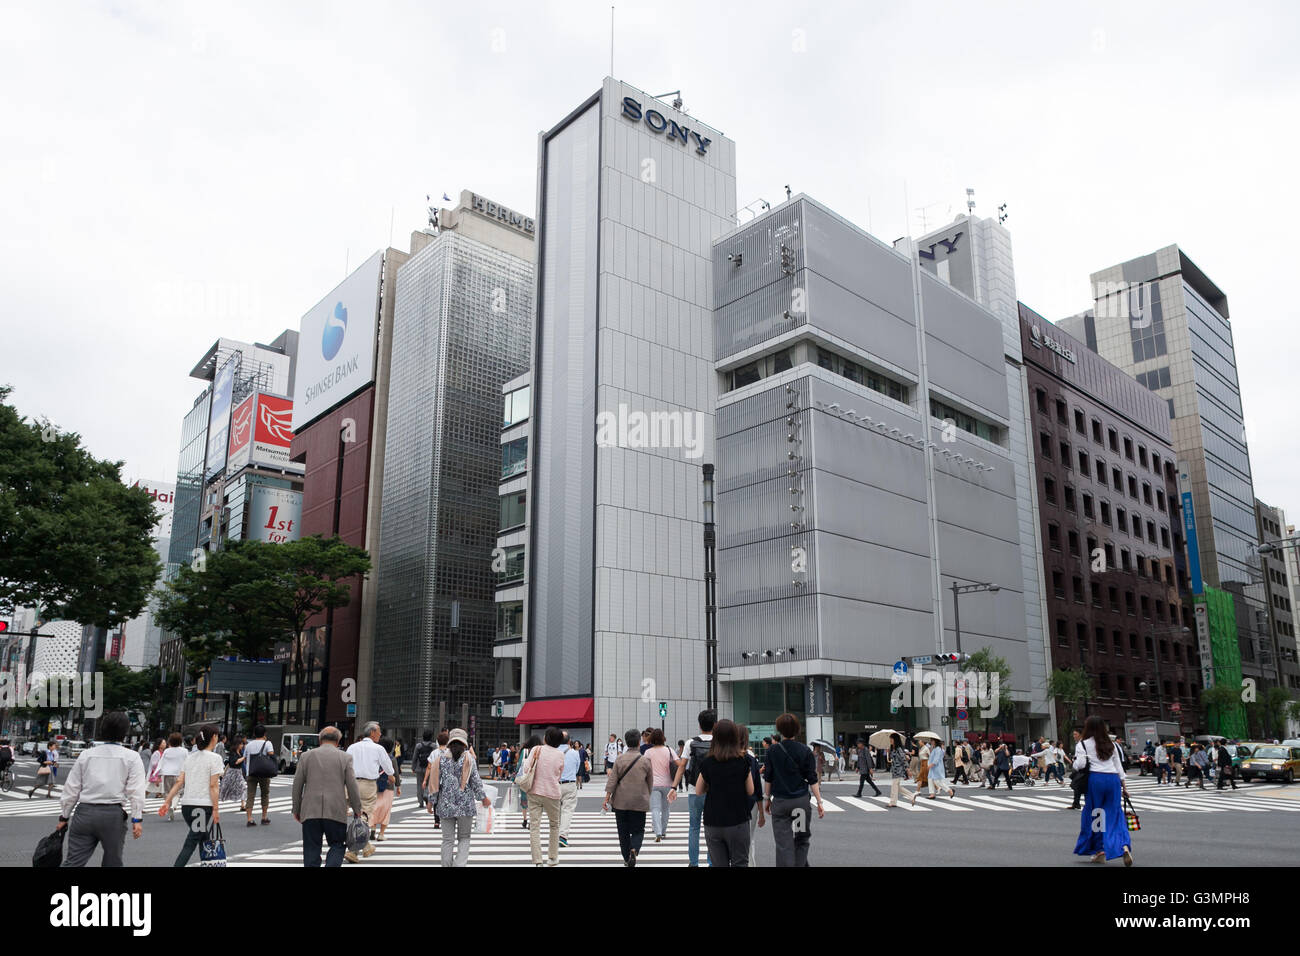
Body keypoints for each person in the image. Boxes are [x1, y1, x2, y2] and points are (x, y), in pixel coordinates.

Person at [57, 712, 145, 867]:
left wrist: (64, 817)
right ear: (125, 732)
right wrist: (136, 819)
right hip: (112, 815)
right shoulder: (132, 757)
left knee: (73, 862)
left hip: (84, 813)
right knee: (112, 861)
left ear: (103, 730)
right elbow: (136, 791)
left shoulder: (86, 755)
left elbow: (71, 788)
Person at [292, 725, 362, 867]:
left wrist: (296, 808)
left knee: (311, 848)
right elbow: (352, 785)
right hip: (335, 809)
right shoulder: (345, 757)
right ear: (338, 741)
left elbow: (297, 785)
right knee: (337, 845)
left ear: (320, 739)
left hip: (310, 810)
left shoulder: (306, 756)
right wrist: (357, 808)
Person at [762, 713, 823, 866]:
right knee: (801, 839)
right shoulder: (805, 750)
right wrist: (820, 802)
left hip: (781, 803)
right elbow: (812, 779)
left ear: (780, 730)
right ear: (797, 730)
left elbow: (768, 778)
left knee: (784, 845)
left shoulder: (772, 751)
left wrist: (767, 799)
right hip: (800, 804)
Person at [1072, 715, 1133, 866]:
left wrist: (1074, 765)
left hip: (1095, 780)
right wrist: (1124, 787)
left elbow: (1079, 765)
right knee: (1115, 814)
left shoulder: (1083, 744)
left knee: (1096, 814)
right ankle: (1123, 846)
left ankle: (1100, 850)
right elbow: (1119, 767)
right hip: (1113, 780)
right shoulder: (1110, 744)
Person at [160, 724, 224, 867]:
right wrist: (215, 809)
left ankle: (208, 864)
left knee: (203, 837)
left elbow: (179, 782)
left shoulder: (190, 757)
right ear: (214, 737)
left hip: (187, 806)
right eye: (217, 735)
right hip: (202, 807)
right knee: (191, 843)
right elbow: (213, 786)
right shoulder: (215, 758)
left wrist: (167, 801)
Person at [694, 719, 754, 867]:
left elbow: (698, 790)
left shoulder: (708, 762)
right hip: (738, 820)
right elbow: (750, 790)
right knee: (740, 862)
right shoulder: (743, 761)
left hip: (713, 821)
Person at [429, 728, 489, 867]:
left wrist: (431, 802)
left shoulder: (441, 759)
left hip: (445, 805)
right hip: (465, 805)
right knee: (464, 838)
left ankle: (446, 864)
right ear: (464, 743)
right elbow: (475, 781)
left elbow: (435, 782)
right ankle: (459, 864)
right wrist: (483, 798)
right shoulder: (469, 759)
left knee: (447, 840)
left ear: (450, 742)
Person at [669, 708, 717, 867]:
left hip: (694, 789)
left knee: (694, 827)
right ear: (714, 724)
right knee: (712, 829)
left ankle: (694, 862)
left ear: (699, 724)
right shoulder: (719, 741)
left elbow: (682, 767)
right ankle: (711, 861)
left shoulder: (691, 742)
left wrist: (674, 787)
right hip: (714, 791)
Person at [603, 728, 653, 866]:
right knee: (638, 830)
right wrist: (646, 796)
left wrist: (607, 798)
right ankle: (634, 849)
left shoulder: (619, 759)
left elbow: (612, 781)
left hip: (620, 802)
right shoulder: (645, 760)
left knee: (623, 831)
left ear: (626, 742)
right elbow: (650, 783)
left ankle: (627, 858)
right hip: (639, 801)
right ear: (638, 742)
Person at [346, 721, 394, 863]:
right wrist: (392, 776)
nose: (380, 734)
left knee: (358, 815)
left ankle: (365, 847)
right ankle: (353, 850)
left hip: (352, 783)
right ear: (372, 732)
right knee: (364, 815)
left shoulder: (352, 747)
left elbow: (346, 765)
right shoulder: (378, 748)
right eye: (378, 731)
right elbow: (388, 767)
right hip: (368, 784)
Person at [520, 726, 564, 866]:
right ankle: (552, 857)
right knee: (554, 825)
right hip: (552, 793)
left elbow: (526, 768)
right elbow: (559, 775)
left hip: (534, 792)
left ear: (546, 738)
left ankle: (538, 861)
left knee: (535, 826)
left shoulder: (536, 749)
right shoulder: (560, 754)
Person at [643, 728, 678, 842]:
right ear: (663, 738)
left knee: (655, 809)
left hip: (653, 784)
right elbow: (679, 764)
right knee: (666, 809)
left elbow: (644, 768)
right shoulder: (669, 750)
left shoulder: (648, 752)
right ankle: (663, 831)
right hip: (668, 784)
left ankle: (657, 832)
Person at [738, 725, 766, 866]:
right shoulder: (751, 758)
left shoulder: (726, 755)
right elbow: (757, 788)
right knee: (750, 839)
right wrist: (761, 811)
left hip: (733, 805)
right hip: (750, 804)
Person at [242, 725, 277, 827]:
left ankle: (249, 819)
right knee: (265, 794)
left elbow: (245, 758)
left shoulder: (249, 745)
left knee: (250, 795)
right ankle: (264, 817)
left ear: (254, 734)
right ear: (264, 734)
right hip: (264, 773)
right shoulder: (267, 743)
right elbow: (271, 754)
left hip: (251, 773)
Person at [371, 737, 400, 840]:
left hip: (375, 785)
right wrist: (398, 786)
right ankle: (381, 834)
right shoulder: (392, 759)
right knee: (386, 810)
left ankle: (373, 829)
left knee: (375, 808)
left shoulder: (375, 757)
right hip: (388, 787)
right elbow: (395, 773)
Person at [557, 731, 581, 847]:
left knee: (556, 811)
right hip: (570, 784)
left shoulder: (553, 753)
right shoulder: (575, 753)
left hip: (555, 784)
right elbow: (576, 770)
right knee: (567, 811)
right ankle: (562, 836)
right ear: (569, 741)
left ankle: (556, 834)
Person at [886, 733, 917, 808]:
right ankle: (912, 796)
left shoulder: (898, 749)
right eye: (890, 738)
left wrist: (907, 769)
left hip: (899, 770)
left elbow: (903, 759)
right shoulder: (893, 748)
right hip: (894, 769)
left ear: (895, 739)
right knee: (897, 787)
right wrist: (888, 752)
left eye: (892, 739)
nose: (890, 740)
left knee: (894, 786)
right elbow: (891, 759)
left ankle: (893, 802)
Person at [412, 730, 435, 809]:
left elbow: (414, 757)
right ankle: (426, 795)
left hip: (419, 768)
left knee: (419, 785)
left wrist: (413, 767)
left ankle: (420, 802)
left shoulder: (418, 746)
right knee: (429, 784)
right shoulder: (433, 746)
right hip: (430, 768)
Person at [220, 736, 247, 805]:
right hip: (231, 772)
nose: (242, 745)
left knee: (243, 787)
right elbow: (235, 762)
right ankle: (220, 798)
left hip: (238, 772)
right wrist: (224, 773)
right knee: (226, 787)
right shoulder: (232, 753)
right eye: (241, 744)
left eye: (242, 744)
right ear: (237, 744)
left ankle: (242, 805)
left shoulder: (241, 752)